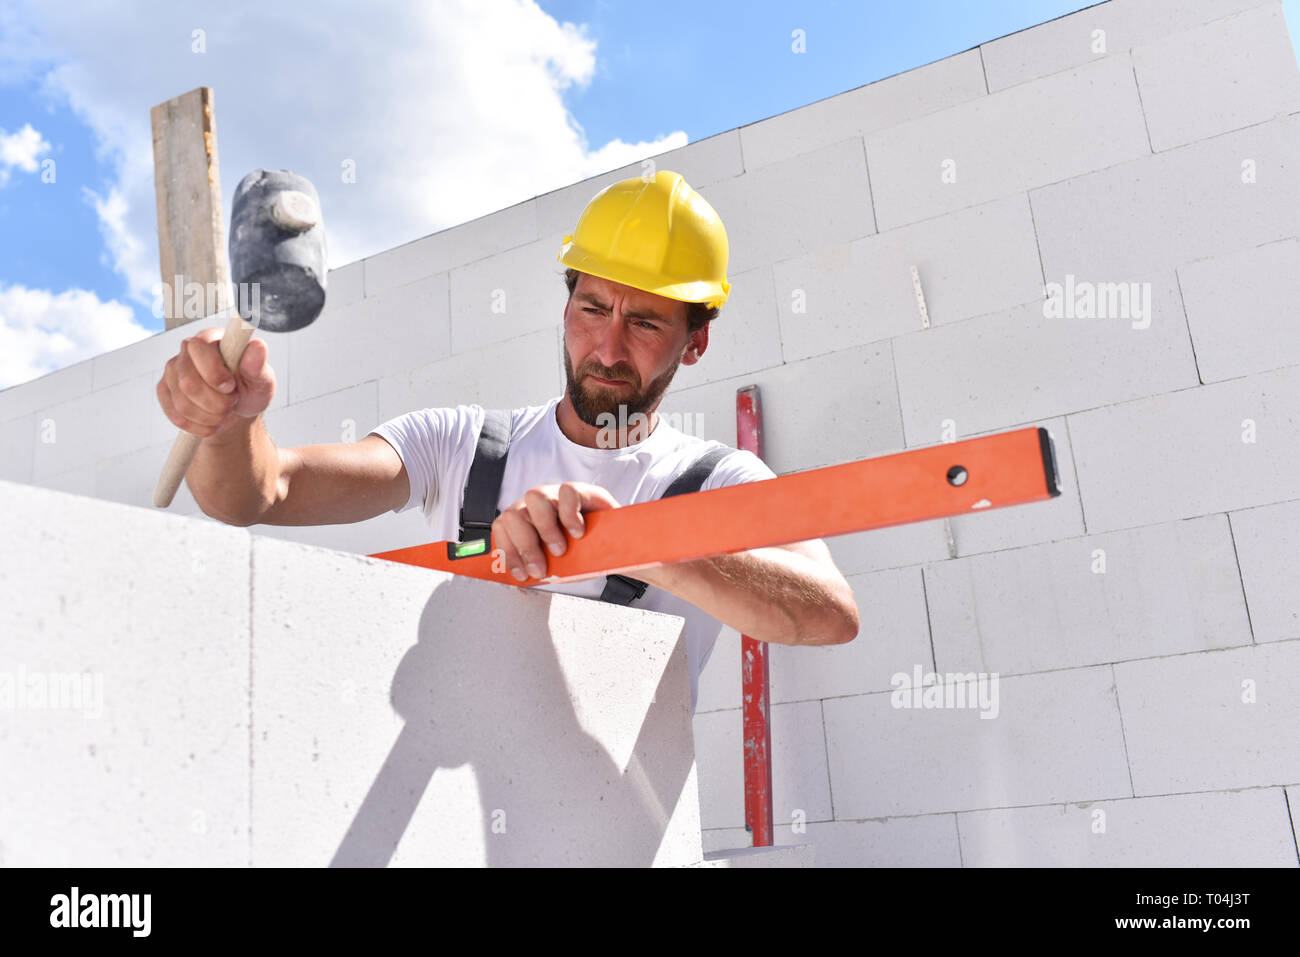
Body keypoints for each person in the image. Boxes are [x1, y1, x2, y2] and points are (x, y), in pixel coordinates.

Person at [156, 170, 859, 712]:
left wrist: (641, 544)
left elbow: (830, 614)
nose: (607, 346)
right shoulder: (462, 447)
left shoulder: (715, 478)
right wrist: (230, 422)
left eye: (645, 323)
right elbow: (259, 493)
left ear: (695, 341)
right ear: (566, 305)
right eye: (591, 308)